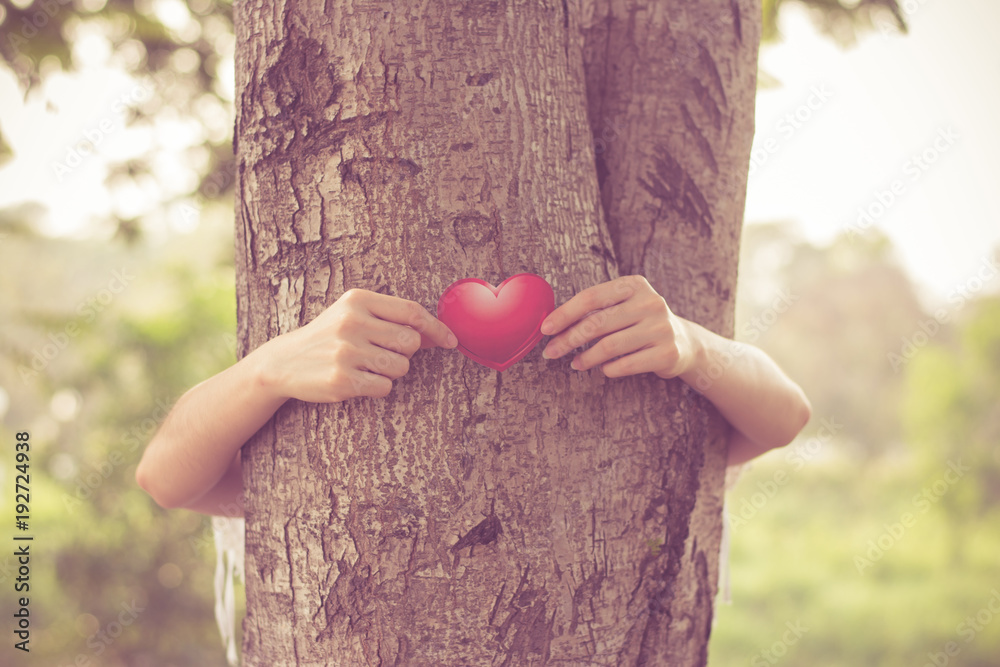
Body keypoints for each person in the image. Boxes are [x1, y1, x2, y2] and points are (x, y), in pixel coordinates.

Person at [135, 274, 811, 516]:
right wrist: (266, 369)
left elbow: (785, 416)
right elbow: (165, 478)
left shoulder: (635, 462)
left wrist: (694, 346)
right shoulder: (307, 477)